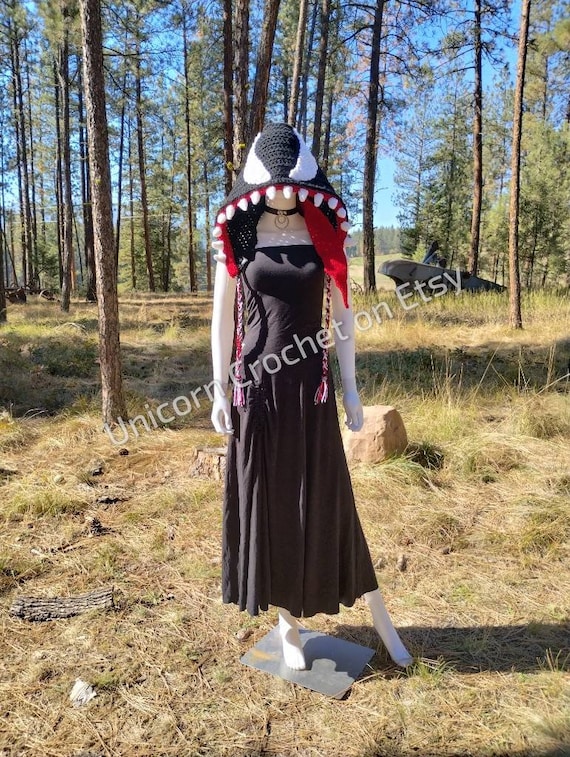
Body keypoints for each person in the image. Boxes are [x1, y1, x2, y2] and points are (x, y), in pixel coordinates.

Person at [210, 123, 412, 671]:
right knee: (270, 500)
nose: (281, 193)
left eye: (289, 183)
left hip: (312, 389)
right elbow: (222, 317)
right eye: (271, 184)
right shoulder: (239, 232)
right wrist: (219, 389)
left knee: (329, 497)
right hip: (256, 391)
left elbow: (343, 319)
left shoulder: (324, 231)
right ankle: (287, 624)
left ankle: (378, 614)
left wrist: (351, 389)